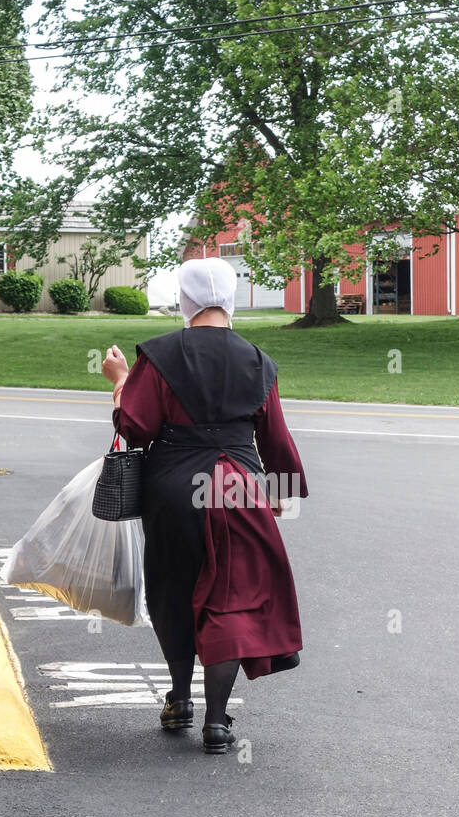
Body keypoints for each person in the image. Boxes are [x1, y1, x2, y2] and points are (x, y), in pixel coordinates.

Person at [101, 257, 308, 754]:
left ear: (185, 299)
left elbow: (136, 426)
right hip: (237, 486)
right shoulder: (258, 360)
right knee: (231, 596)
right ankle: (217, 721)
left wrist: (119, 381)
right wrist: (276, 491)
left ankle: (179, 698)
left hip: (173, 486)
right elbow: (274, 435)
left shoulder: (161, 354)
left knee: (174, 592)